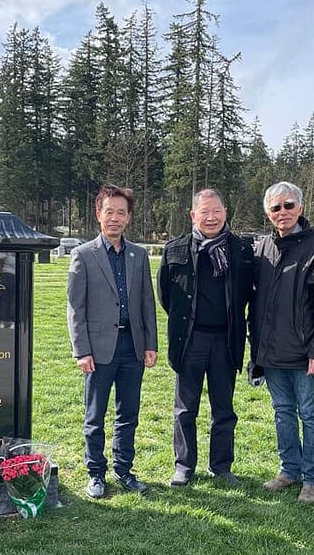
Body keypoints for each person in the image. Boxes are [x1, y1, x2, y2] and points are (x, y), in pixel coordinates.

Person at [250, 181, 314, 503]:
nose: (283, 212)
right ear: (268, 213)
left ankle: (313, 478)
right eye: (276, 208)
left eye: (288, 205)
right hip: (272, 352)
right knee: (282, 412)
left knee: (310, 414)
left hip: (305, 354)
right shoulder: (262, 248)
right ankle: (289, 470)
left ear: (300, 208)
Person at [157, 188, 254, 487]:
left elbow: (250, 293)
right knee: (185, 409)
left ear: (226, 212)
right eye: (204, 212)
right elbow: (166, 297)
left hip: (226, 341)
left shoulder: (241, 250)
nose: (211, 217)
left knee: (224, 409)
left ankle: (221, 466)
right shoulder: (176, 249)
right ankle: (184, 466)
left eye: (216, 211)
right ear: (193, 215)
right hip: (191, 340)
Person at [67, 184, 158, 498]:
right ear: (98, 214)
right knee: (95, 416)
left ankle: (124, 470)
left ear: (129, 217)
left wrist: (151, 344)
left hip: (132, 348)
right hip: (98, 351)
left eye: (122, 212)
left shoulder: (139, 255)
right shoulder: (83, 255)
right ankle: (96, 473)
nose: (115, 218)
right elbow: (75, 308)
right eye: (110, 212)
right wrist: (82, 351)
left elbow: (147, 302)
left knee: (128, 414)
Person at [0, 251, 16, 329]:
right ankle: (13, 320)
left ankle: (3, 320)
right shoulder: (13, 256)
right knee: (13, 300)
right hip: (13, 277)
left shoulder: (2, 256)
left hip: (4, 277)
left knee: (4, 300)